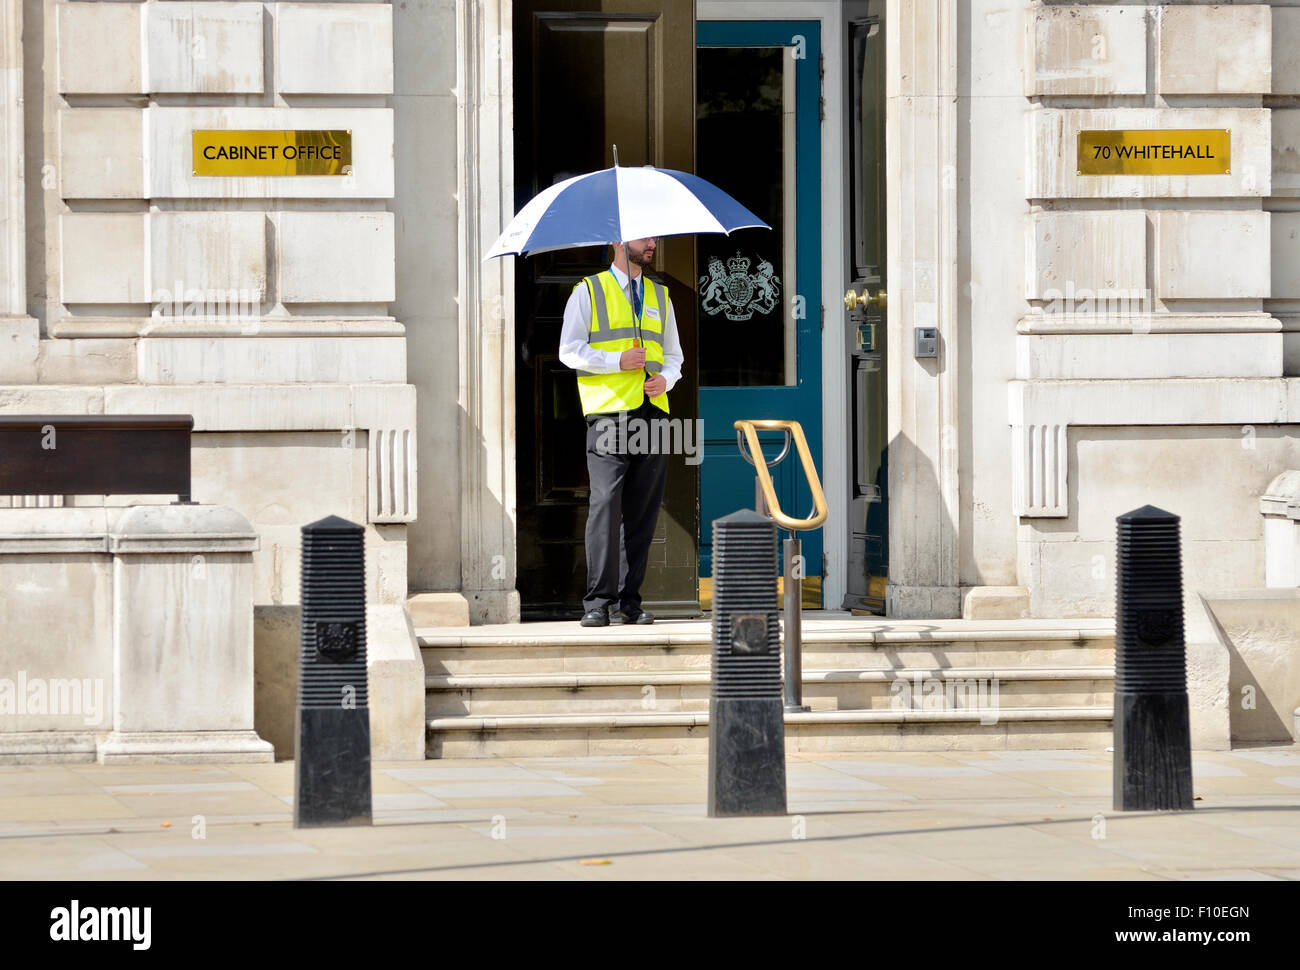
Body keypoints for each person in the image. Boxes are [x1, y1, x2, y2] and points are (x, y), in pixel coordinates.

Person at [558, 237, 684, 627]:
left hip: (654, 412)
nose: (653, 244)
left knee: (644, 511)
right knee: (605, 505)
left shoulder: (660, 296)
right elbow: (569, 349)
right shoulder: (588, 291)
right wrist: (617, 360)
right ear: (618, 241)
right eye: (645, 237)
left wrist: (667, 379)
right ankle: (597, 602)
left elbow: (675, 355)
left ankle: (629, 602)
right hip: (609, 415)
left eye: (654, 238)